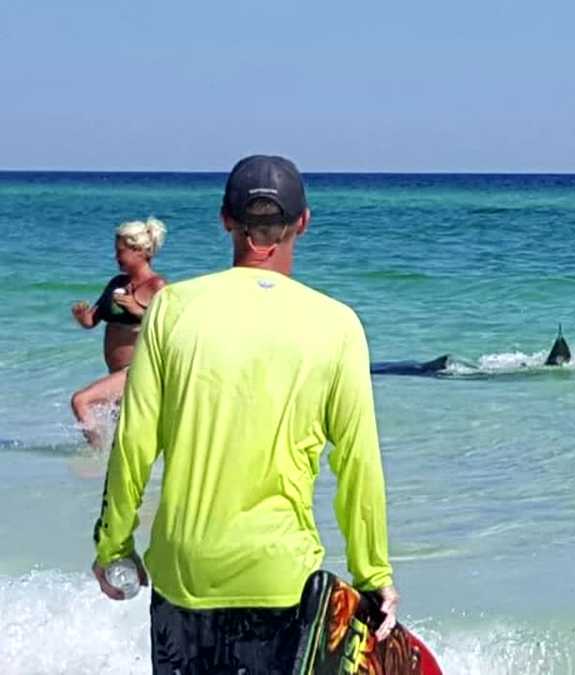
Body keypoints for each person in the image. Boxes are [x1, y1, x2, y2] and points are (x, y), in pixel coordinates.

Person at [91, 155, 398, 674]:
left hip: (184, 575)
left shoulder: (172, 309)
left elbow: (134, 440)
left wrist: (113, 545)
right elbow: (359, 463)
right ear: (303, 222)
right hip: (283, 580)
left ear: (225, 220)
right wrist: (372, 575)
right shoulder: (338, 325)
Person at [70, 218, 168, 447]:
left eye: (120, 251)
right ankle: (107, 464)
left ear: (140, 251)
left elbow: (168, 326)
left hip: (137, 371)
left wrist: (136, 310)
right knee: (124, 440)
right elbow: (92, 320)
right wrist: (83, 318)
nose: (116, 257)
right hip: (114, 373)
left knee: (81, 401)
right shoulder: (116, 283)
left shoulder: (157, 285)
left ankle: (95, 455)